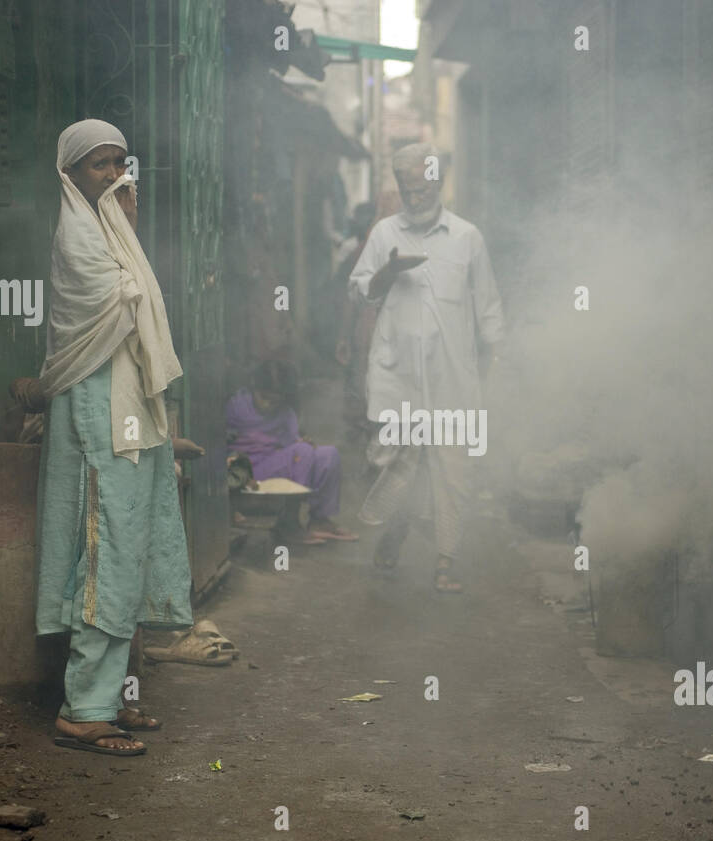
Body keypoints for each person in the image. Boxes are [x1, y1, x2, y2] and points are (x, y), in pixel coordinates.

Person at [32, 119, 195, 755]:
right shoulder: (78, 232)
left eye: (119, 162)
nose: (113, 174)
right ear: (70, 172)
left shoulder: (110, 226)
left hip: (129, 407)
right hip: (101, 411)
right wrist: (127, 217)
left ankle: (112, 698)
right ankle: (83, 711)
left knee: (133, 539)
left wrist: (126, 219)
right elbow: (119, 306)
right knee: (106, 545)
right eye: (100, 165)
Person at [348, 144, 505, 592]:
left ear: (437, 183)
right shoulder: (383, 234)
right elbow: (359, 292)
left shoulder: (466, 237)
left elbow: (488, 305)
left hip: (453, 381)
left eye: (421, 189)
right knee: (393, 467)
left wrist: (498, 363)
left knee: (455, 474)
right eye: (406, 190)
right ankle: (395, 531)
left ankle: (445, 562)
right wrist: (387, 274)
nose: (414, 198)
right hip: (396, 380)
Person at [225, 360, 358, 542]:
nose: (267, 405)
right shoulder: (237, 406)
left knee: (328, 454)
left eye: (274, 401)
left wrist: (302, 443)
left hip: (272, 463)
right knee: (302, 452)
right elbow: (220, 438)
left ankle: (319, 519)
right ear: (253, 388)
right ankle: (289, 521)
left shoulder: (285, 413)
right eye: (263, 397)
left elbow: (291, 443)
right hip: (247, 470)